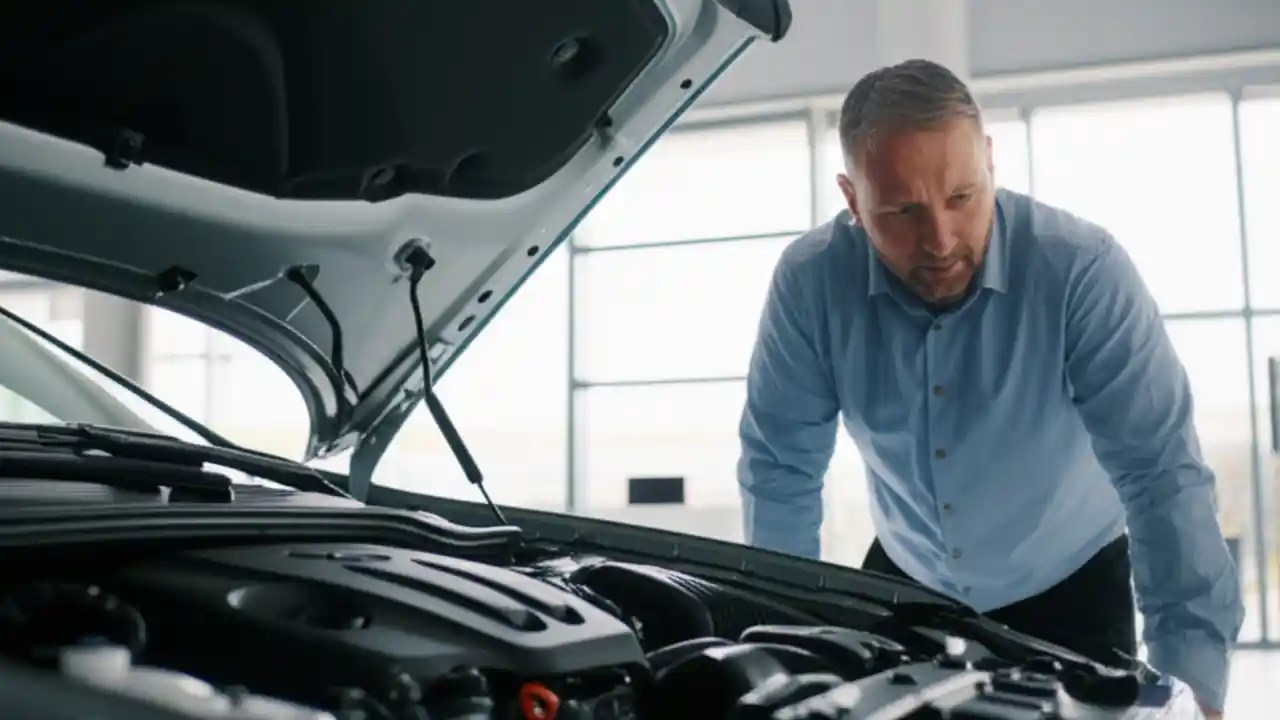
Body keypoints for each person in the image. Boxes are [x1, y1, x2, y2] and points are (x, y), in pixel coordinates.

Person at [736, 58, 1243, 717]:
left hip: (1073, 584)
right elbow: (780, 471)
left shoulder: (1081, 270)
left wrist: (1191, 688)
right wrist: (783, 650)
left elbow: (1161, 475)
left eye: (962, 197)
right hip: (906, 580)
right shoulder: (810, 282)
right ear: (851, 198)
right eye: (902, 210)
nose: (940, 240)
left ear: (991, 163)